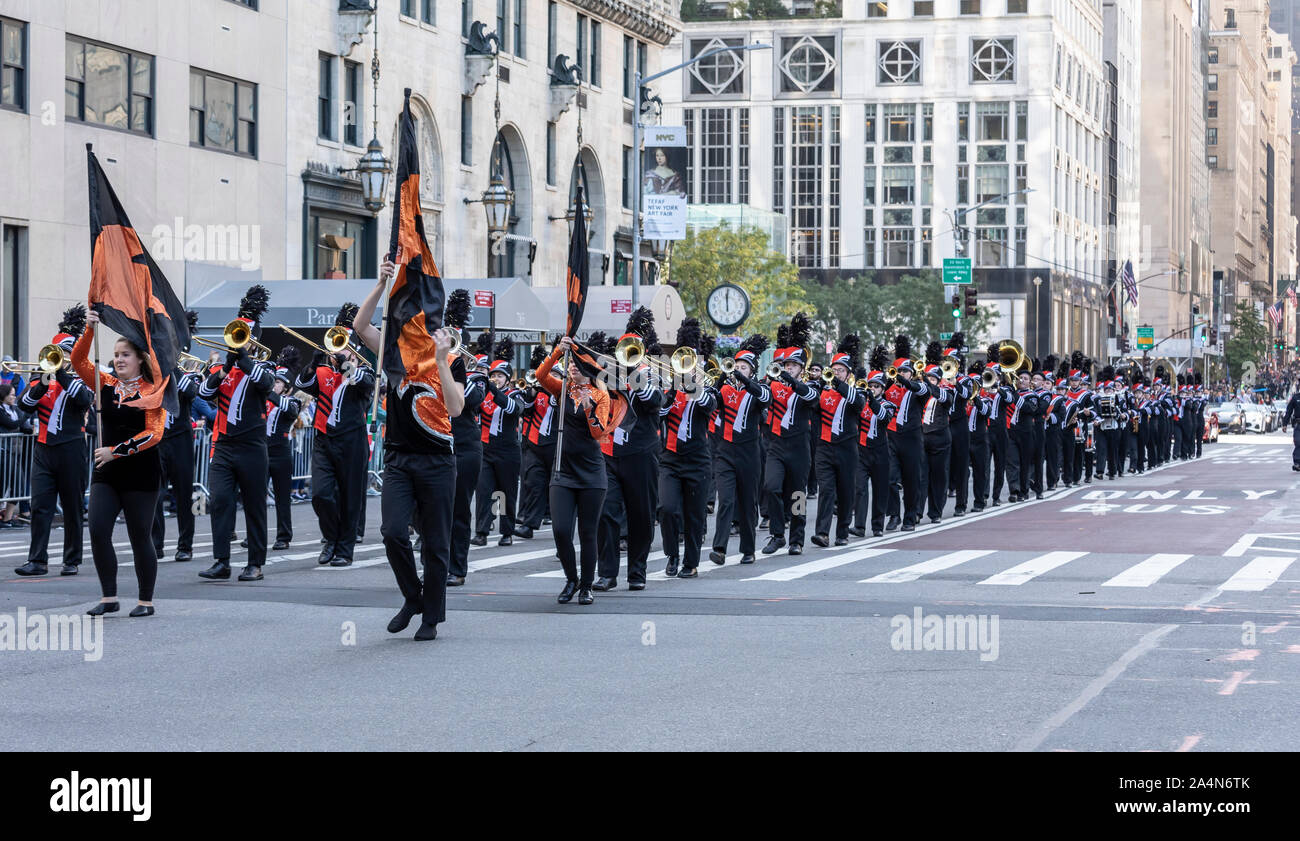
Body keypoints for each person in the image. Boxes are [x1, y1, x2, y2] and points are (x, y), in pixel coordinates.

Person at [356, 254, 464, 640]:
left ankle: (431, 617)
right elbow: (359, 325)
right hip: (400, 459)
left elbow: (455, 407)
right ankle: (413, 596)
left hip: (437, 462)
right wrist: (382, 283)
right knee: (392, 531)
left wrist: (442, 361)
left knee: (435, 544)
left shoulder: (449, 357)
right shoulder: (393, 351)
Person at [74, 310, 165, 618]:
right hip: (107, 473)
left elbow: (153, 434)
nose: (119, 359)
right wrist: (89, 329)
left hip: (141, 473)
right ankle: (109, 596)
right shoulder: (106, 383)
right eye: (115, 355)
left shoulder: (152, 391)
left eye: (125, 354)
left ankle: (145, 600)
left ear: (140, 358)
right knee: (98, 530)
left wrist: (116, 450)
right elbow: (78, 362)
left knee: (140, 536)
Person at [197, 285, 275, 582]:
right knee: (219, 500)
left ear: (253, 341)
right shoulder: (224, 368)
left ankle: (255, 562)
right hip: (225, 445)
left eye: (243, 338)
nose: (237, 343)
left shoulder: (263, 364)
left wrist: (245, 360)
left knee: (254, 504)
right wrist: (225, 366)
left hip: (253, 445)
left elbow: (266, 384)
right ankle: (221, 561)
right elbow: (204, 392)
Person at [294, 303, 375, 567]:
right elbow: (301, 383)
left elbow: (365, 385)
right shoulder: (323, 371)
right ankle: (331, 538)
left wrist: (346, 367)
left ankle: (345, 549)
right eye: (336, 347)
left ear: (353, 350)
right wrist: (315, 359)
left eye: (344, 347)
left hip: (352, 440)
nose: (338, 352)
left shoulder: (362, 370)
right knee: (321, 494)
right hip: (323, 438)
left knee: (351, 497)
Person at [15, 306, 93, 577]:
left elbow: (84, 400)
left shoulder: (82, 376)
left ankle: (71, 559)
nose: (58, 358)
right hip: (43, 448)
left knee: (72, 507)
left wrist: (62, 375)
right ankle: (37, 560)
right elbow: (23, 407)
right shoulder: (41, 377)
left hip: (72, 447)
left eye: (63, 354)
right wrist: (40, 383)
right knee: (40, 507)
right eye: (55, 354)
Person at [537, 336, 612, 604]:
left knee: (588, 532)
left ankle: (587, 586)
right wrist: (560, 350)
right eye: (571, 366)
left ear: (588, 371)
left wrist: (590, 407)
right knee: (560, 530)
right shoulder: (562, 389)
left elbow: (598, 433)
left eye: (577, 367)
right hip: (563, 472)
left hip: (591, 473)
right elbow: (540, 374)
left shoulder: (601, 396)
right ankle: (571, 578)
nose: (572, 369)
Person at [596, 308, 665, 590]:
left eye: (633, 349)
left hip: (641, 452)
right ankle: (607, 573)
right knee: (606, 512)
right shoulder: (609, 372)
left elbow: (654, 401)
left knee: (641, 514)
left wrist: (635, 377)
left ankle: (637, 571)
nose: (628, 354)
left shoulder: (655, 373)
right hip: (610, 451)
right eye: (625, 348)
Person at [658, 319, 718, 578]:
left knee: (694, 516)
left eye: (690, 362)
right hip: (670, 458)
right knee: (668, 509)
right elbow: (658, 413)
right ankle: (672, 554)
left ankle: (690, 563)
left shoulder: (708, 388)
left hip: (697, 460)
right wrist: (671, 391)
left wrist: (690, 382)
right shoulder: (669, 388)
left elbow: (707, 405)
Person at [708, 334, 771, 564]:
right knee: (725, 500)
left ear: (752, 371)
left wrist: (745, 382)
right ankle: (720, 548)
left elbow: (766, 398)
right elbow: (708, 400)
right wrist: (719, 381)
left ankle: (748, 549)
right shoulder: (725, 390)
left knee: (747, 502)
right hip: (725, 452)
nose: (739, 370)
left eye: (744, 367)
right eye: (737, 366)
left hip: (749, 454)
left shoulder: (758, 389)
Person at [762, 314, 819, 554]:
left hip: (799, 447)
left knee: (797, 494)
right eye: (786, 365)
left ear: (801, 369)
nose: (788, 369)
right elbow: (761, 395)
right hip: (776, 445)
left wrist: (790, 380)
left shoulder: (811, 386)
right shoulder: (775, 385)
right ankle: (777, 534)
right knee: (771, 486)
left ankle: (796, 538)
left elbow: (810, 398)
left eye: (793, 366)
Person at [151, 310, 202, 563]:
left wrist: (174, 369)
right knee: (155, 494)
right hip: (159, 438)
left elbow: (191, 392)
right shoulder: (155, 374)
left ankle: (185, 545)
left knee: (184, 495)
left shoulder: (186, 372)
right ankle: (156, 544)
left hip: (181, 438)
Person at [444, 292, 485, 587]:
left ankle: (456, 567)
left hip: (465, 445)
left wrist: (463, 372)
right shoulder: (437, 365)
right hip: (437, 442)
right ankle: (435, 560)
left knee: (459, 507)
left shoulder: (478, 373)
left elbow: (472, 400)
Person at [472, 338, 526, 547]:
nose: (495, 379)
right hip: (485, 449)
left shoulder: (515, 393)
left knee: (505, 492)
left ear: (508, 379)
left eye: (499, 376)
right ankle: (482, 531)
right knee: (484, 491)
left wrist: (492, 391)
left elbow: (515, 409)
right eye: (492, 375)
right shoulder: (483, 394)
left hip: (508, 451)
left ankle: (506, 531)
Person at [812, 336, 864, 546]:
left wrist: (836, 384)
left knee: (845, 491)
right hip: (824, 447)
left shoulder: (856, 391)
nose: (836, 373)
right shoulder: (822, 391)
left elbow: (858, 404)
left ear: (849, 374)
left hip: (847, 447)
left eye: (841, 370)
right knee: (826, 490)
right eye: (833, 369)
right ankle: (822, 533)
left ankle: (842, 532)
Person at [515, 345, 556, 540]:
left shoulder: (560, 393)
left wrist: (548, 389)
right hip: (534, 445)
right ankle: (529, 524)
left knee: (556, 489)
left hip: (556, 446)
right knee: (533, 483)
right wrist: (531, 394)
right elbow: (526, 411)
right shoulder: (538, 392)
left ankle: (559, 527)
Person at [265, 348, 303, 551]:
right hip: (262, 452)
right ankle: (257, 532)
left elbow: (291, 411)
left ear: (286, 387)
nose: (274, 385)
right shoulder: (264, 400)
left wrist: (270, 392)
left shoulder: (291, 400)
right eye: (273, 381)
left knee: (282, 497)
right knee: (255, 496)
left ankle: (283, 535)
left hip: (281, 453)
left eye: (278, 382)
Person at [856, 349, 896, 536]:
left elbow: (883, 417)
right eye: (870, 385)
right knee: (860, 489)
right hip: (862, 450)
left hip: (880, 451)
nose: (872, 388)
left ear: (882, 388)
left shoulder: (888, 404)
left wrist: (871, 400)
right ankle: (859, 526)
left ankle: (878, 526)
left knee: (880, 489)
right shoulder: (860, 403)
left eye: (876, 386)